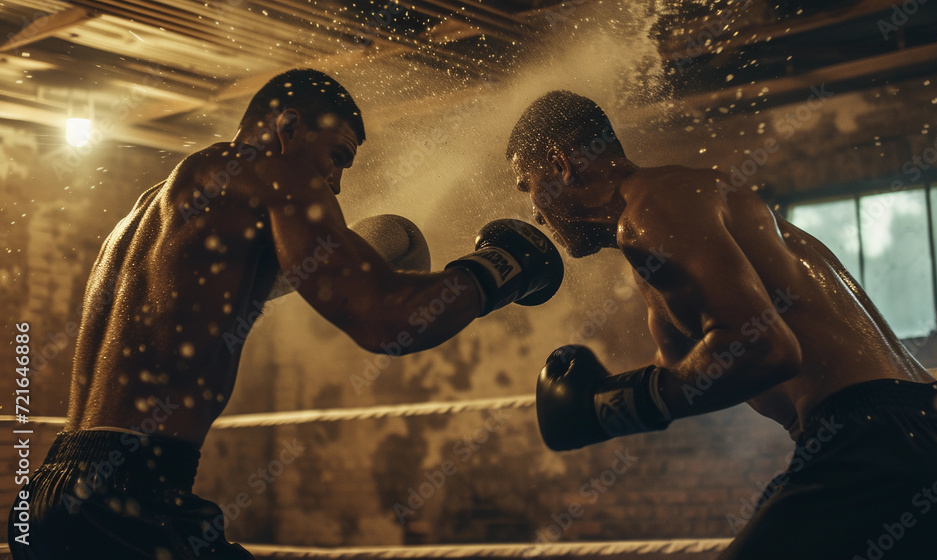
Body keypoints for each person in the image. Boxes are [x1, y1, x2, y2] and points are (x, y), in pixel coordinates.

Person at [7, 69, 563, 560]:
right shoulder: (271, 172)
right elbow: (387, 319)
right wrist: (501, 268)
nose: (338, 180)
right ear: (287, 127)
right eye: (338, 154)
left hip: (53, 491)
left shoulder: (149, 214)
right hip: (131, 499)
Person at [512, 91, 937, 559]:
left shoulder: (656, 206)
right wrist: (603, 397)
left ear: (561, 165)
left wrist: (610, 407)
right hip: (936, 431)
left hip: (875, 438)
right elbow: (686, 376)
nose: (533, 210)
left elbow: (766, 349)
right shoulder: (653, 242)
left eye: (526, 185)